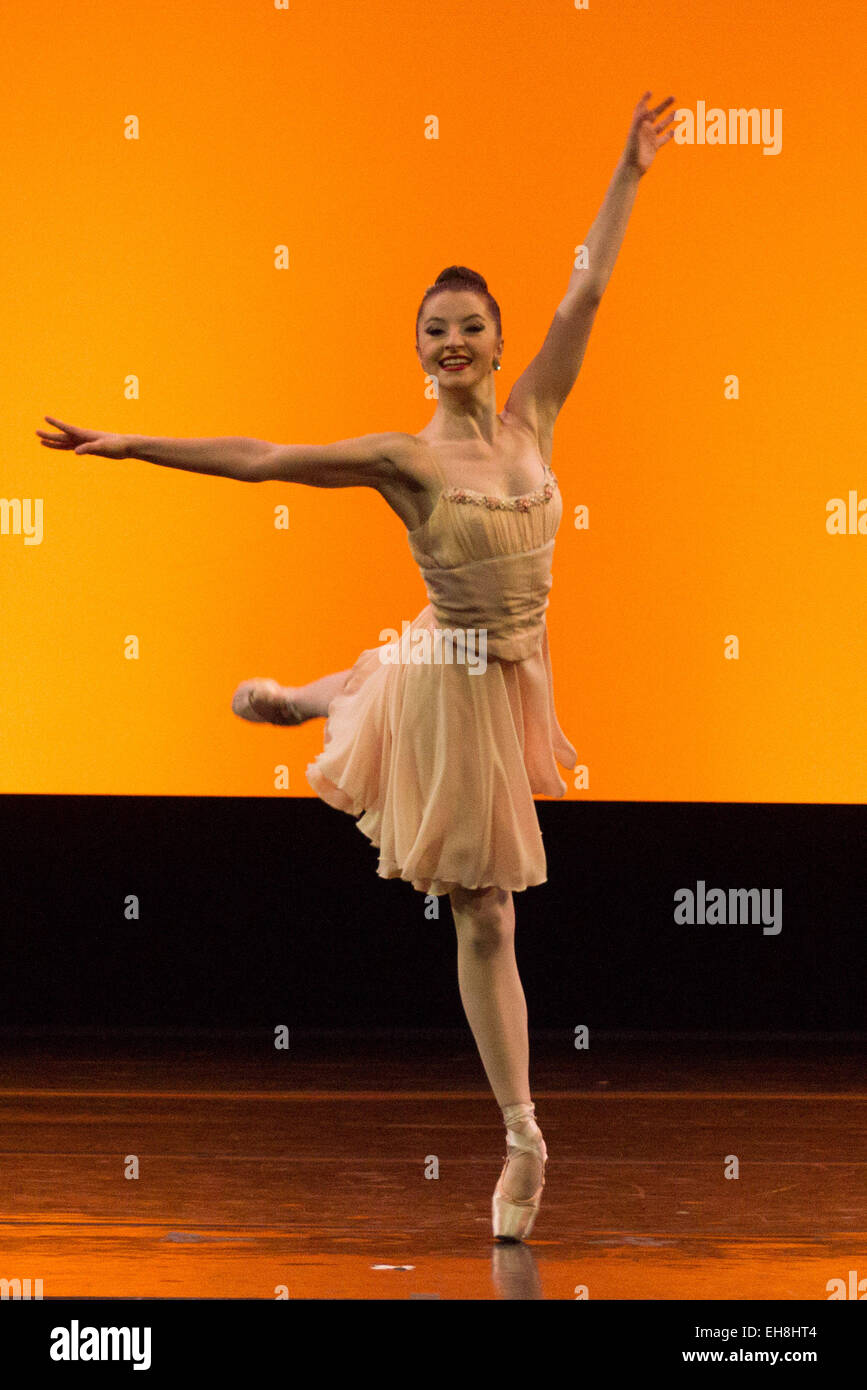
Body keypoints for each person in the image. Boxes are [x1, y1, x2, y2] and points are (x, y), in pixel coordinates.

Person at [37, 91, 675, 1241]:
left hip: (502, 668)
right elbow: (269, 458)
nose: (454, 341)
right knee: (484, 912)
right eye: (435, 329)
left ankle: (303, 695)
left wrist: (629, 170)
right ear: (421, 351)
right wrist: (133, 444)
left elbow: (587, 290)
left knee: (390, 676)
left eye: (470, 323)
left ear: (494, 332)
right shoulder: (406, 459)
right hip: (451, 682)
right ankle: (524, 1137)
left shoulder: (537, 413)